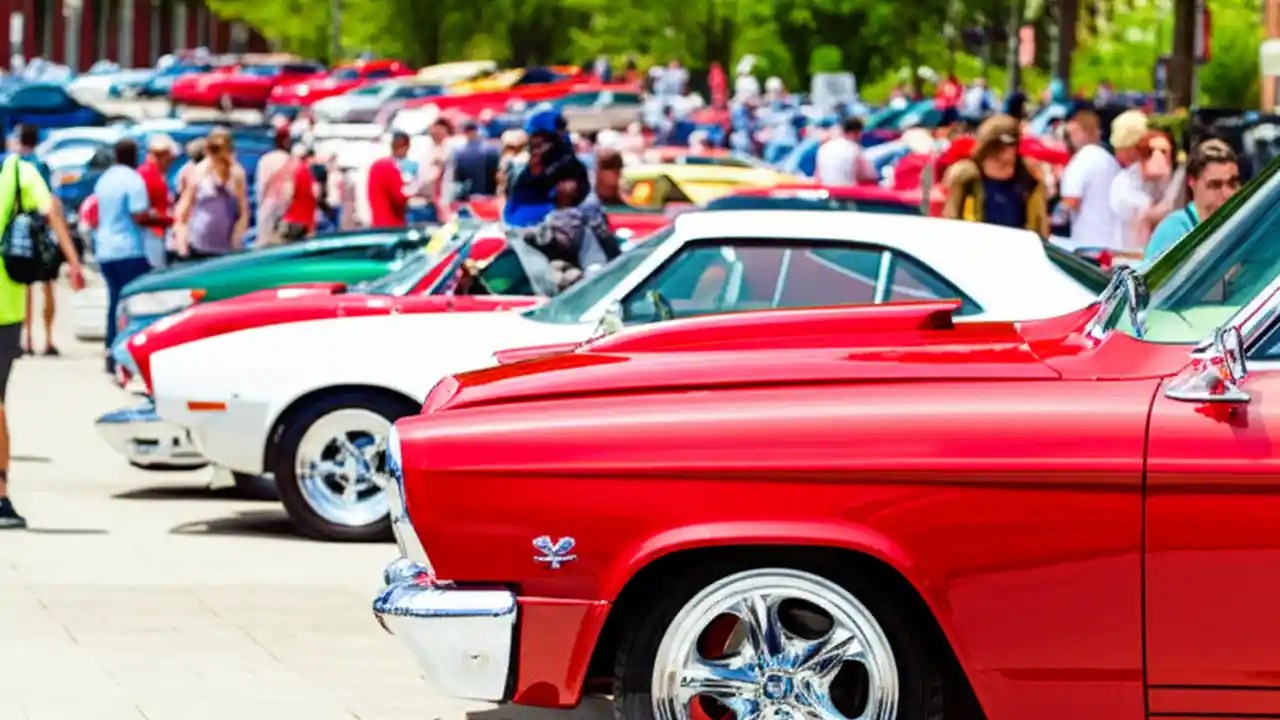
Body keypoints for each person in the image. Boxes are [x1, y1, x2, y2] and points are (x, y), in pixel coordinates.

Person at [0, 147, 85, 528]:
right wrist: (73, 261)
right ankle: (1, 497)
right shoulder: (17, 171)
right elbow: (51, 212)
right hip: (7, 309)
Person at [93, 138, 169, 370]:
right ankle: (125, 354)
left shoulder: (105, 179)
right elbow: (138, 215)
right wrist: (163, 219)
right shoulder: (133, 180)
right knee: (134, 303)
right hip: (128, 248)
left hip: (105, 249)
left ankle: (110, 351)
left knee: (114, 301)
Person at [942, 114, 1049, 236]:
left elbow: (1040, 223)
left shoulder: (1030, 176)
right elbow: (951, 218)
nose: (1010, 151)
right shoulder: (965, 175)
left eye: (1014, 144)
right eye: (1004, 145)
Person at [1145, 139, 1240, 263]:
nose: (1228, 194)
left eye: (1232, 183)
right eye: (1215, 185)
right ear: (1192, 183)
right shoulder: (1174, 231)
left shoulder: (1243, 222)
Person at [10, 124, 56, 357]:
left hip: (20, 233)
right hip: (41, 230)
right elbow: (50, 202)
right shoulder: (42, 166)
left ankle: (26, 337)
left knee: (25, 287)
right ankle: (48, 338)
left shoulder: (14, 166)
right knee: (48, 286)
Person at [503, 108, 589, 228]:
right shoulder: (527, 167)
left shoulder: (568, 164)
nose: (534, 145)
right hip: (525, 224)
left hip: (553, 226)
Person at [173, 128, 249, 260]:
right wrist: (181, 241)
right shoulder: (198, 172)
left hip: (227, 246)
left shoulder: (236, 174)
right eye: (213, 149)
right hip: (199, 244)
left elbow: (243, 210)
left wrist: (237, 236)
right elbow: (183, 209)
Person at [1058, 106, 1121, 249]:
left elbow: (1070, 201)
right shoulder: (1110, 160)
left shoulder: (1080, 161)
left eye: (1070, 134)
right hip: (1113, 241)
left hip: (1086, 243)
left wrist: (1049, 220)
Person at [1110, 117, 1174, 252]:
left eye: (1164, 152)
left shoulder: (1171, 183)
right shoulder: (1123, 183)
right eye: (1151, 151)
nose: (1160, 157)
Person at [253, 124, 299, 247]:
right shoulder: (292, 161)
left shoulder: (265, 160)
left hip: (267, 208)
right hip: (286, 210)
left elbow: (260, 188)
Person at [137, 134, 178, 268]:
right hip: (151, 233)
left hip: (159, 232)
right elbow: (143, 211)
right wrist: (169, 219)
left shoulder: (157, 174)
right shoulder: (147, 175)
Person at [442, 120, 499, 206]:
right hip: (490, 197)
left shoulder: (458, 152)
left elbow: (453, 178)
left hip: (468, 199)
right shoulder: (493, 149)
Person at [814, 116, 877, 187]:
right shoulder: (855, 149)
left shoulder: (823, 148)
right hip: (848, 195)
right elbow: (869, 178)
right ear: (857, 133)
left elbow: (817, 177)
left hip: (826, 194)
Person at [366, 131, 411, 228]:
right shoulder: (390, 167)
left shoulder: (376, 165)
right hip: (392, 224)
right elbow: (399, 197)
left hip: (377, 221)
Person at [279, 144, 318, 242]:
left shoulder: (293, 171)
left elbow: (288, 194)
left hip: (292, 219)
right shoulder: (309, 172)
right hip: (307, 220)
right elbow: (316, 193)